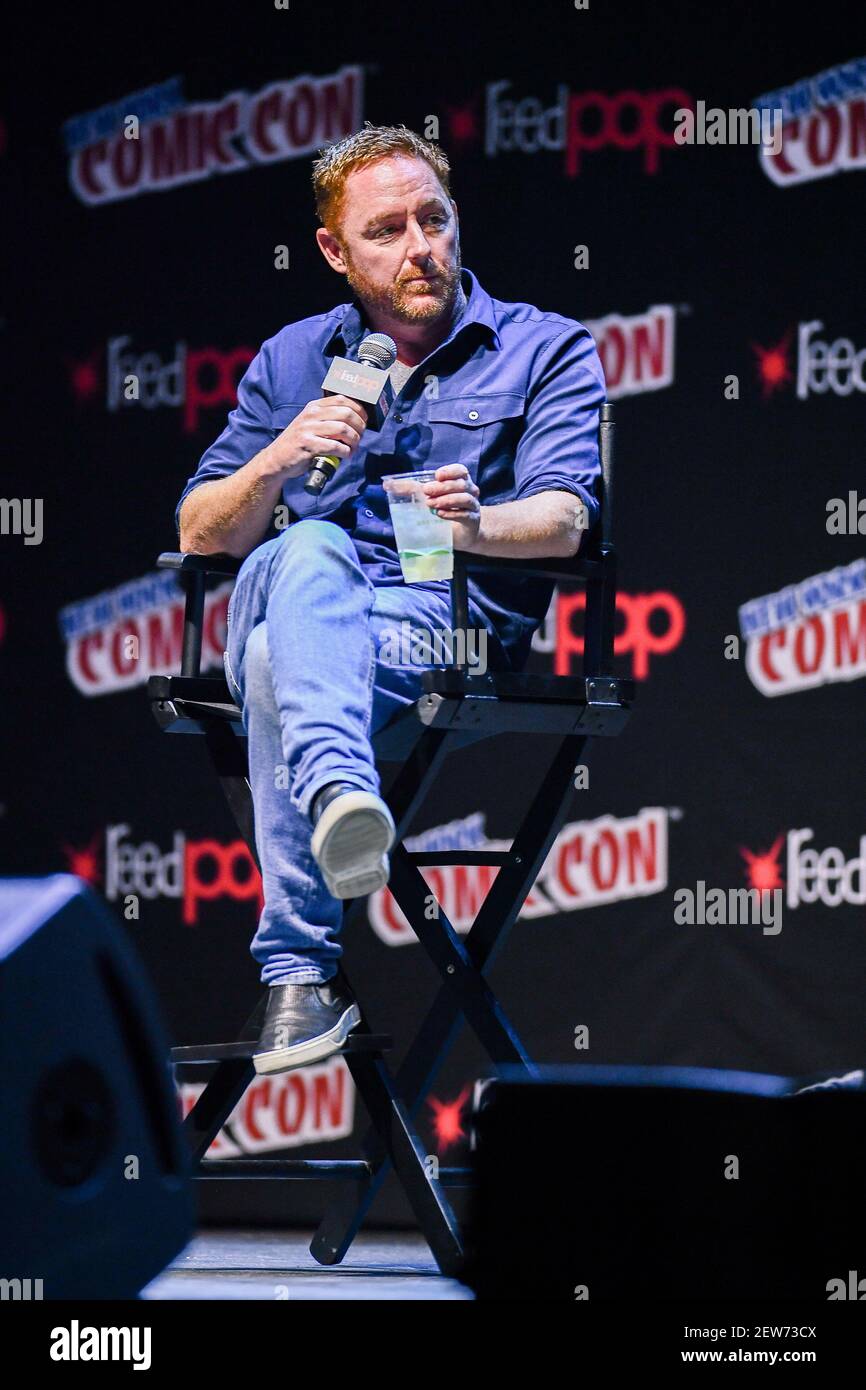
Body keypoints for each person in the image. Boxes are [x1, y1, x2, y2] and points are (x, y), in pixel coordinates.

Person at [175, 123, 605, 1075]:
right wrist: (281, 458)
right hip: (311, 612)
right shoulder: (292, 360)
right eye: (388, 230)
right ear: (334, 251)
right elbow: (200, 531)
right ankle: (341, 793)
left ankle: (299, 973)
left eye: (434, 219)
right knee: (312, 550)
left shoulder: (543, 347)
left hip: (439, 635)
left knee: (268, 659)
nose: (421, 247)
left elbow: (569, 518)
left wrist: (478, 524)